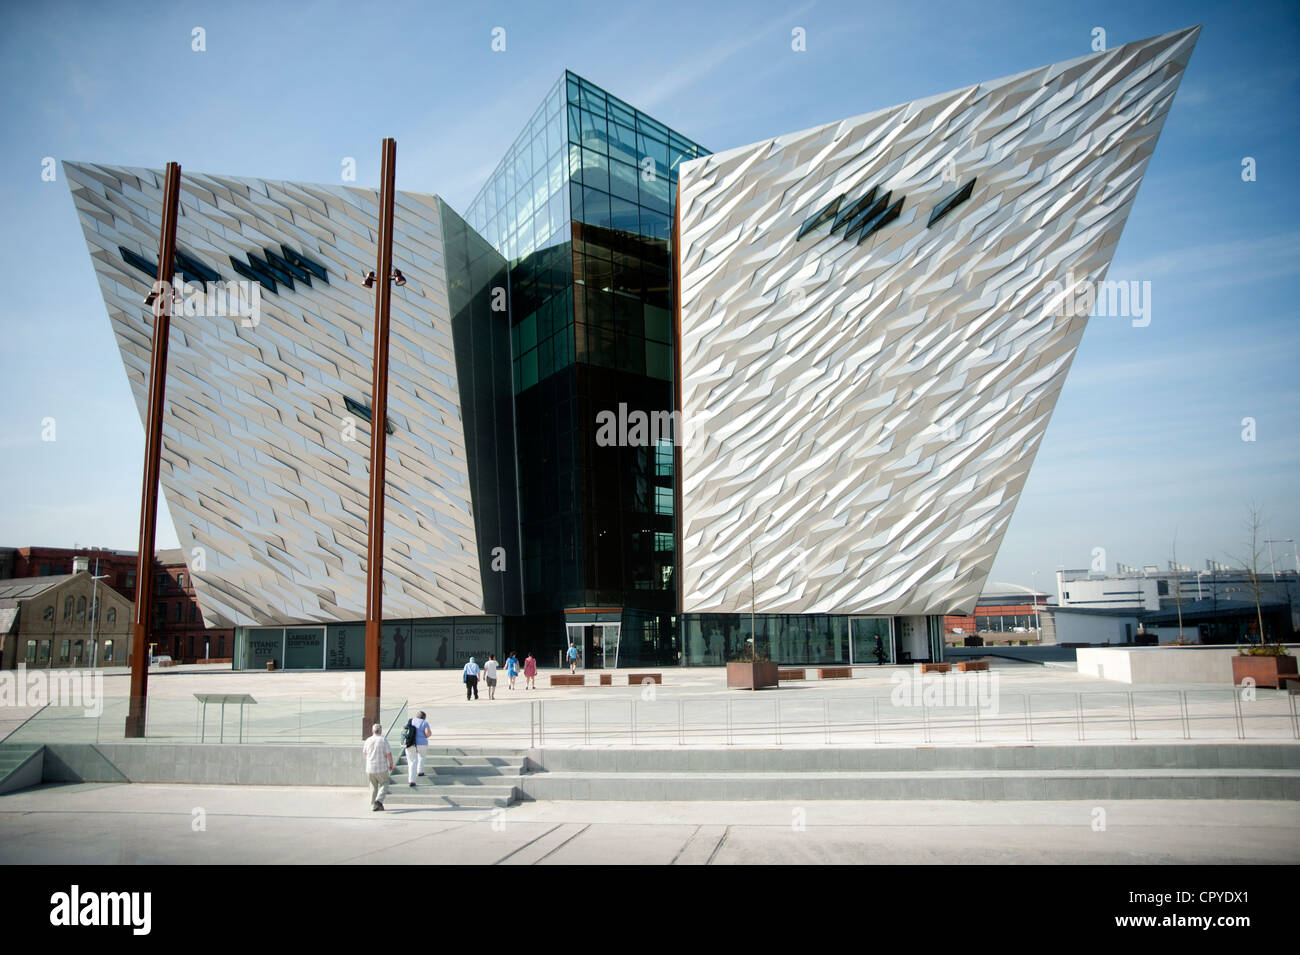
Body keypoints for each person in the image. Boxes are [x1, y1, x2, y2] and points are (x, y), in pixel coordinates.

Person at [362, 722, 393, 811]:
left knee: (373, 786)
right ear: (380, 731)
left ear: (372, 731)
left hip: (370, 768)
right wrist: (391, 764)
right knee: (385, 783)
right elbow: (388, 753)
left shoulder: (368, 740)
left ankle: (373, 805)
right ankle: (378, 801)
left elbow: (365, 752)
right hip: (381, 767)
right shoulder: (383, 740)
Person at [403, 710, 432, 786]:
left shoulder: (410, 721)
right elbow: (428, 734)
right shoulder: (424, 723)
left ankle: (411, 780)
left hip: (411, 743)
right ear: (424, 718)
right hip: (422, 744)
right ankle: (420, 771)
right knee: (422, 756)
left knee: (412, 762)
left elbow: (404, 730)